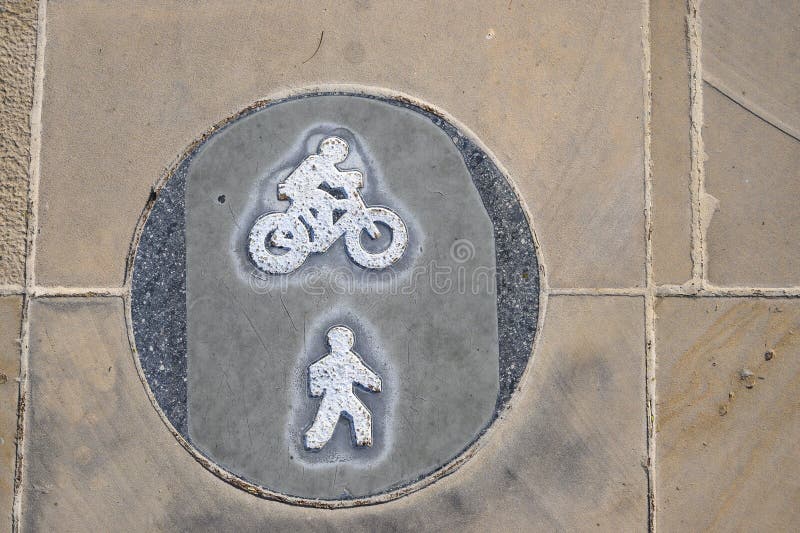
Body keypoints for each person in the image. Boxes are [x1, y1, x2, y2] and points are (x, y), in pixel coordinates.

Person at [277, 137, 378, 239]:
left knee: (326, 202)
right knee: (328, 202)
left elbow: (335, 177)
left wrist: (348, 177)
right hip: (298, 192)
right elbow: (334, 182)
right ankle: (321, 234)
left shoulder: (322, 162)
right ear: (331, 151)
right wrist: (352, 176)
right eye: (340, 153)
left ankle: (319, 232)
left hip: (302, 192)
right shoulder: (318, 161)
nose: (340, 157)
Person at [304, 325, 382, 450]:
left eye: (345, 341)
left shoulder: (350, 359)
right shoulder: (327, 363)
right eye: (340, 340)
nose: (344, 344)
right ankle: (312, 442)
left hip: (346, 396)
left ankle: (363, 441)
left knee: (362, 416)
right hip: (333, 398)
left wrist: (375, 383)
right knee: (324, 426)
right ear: (331, 343)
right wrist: (316, 387)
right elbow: (315, 374)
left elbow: (363, 374)